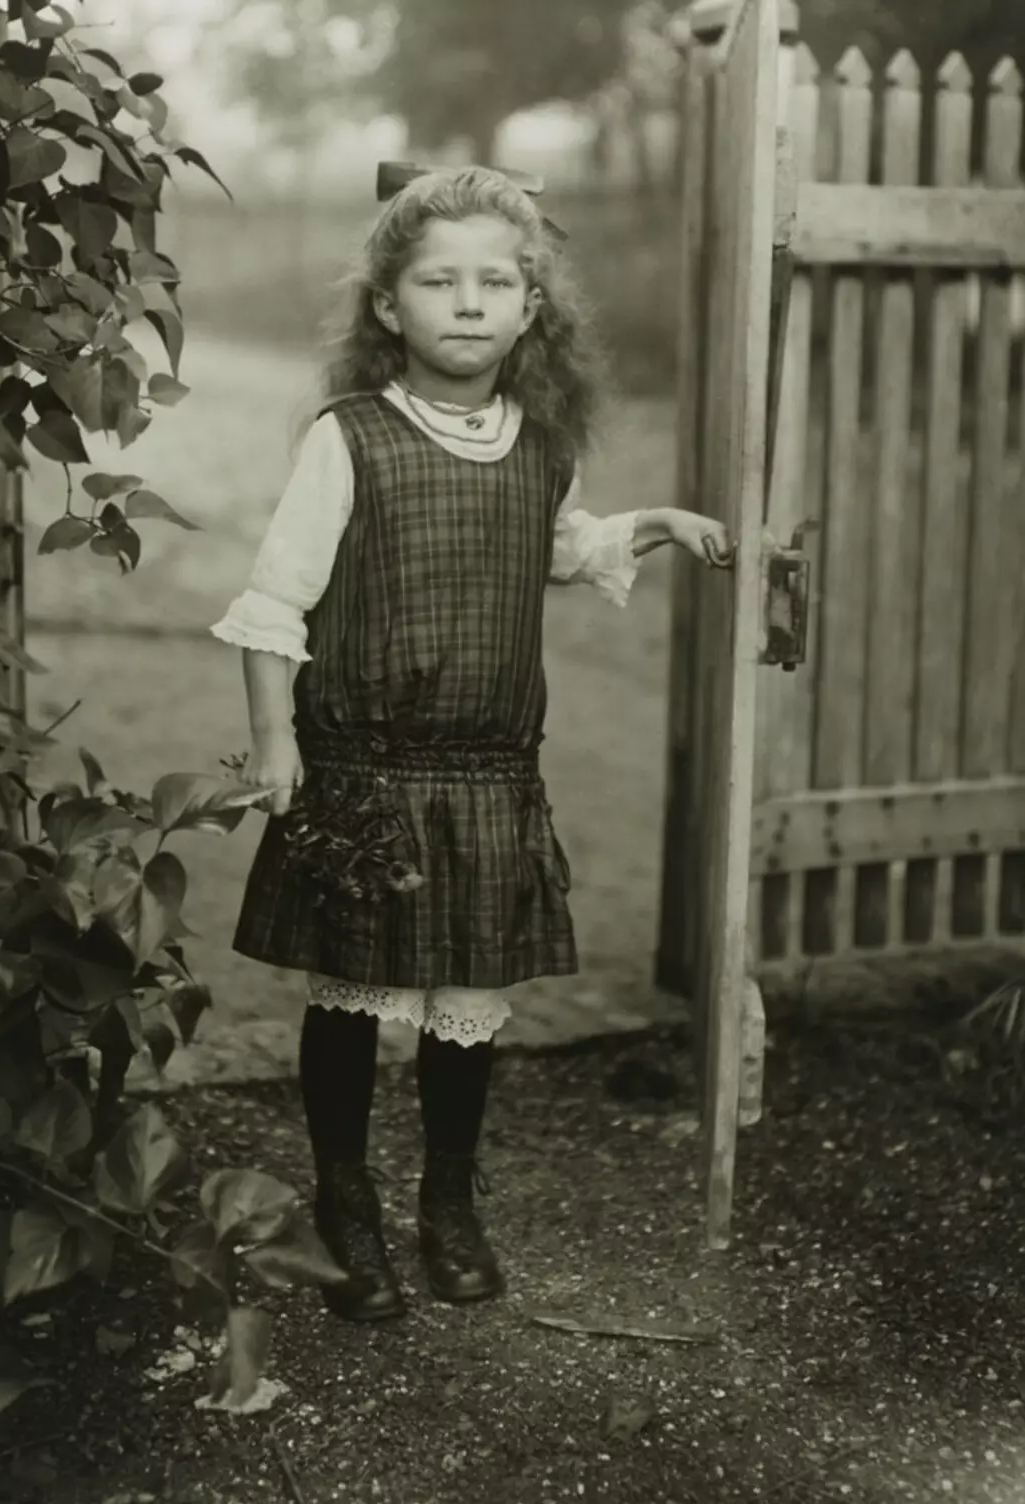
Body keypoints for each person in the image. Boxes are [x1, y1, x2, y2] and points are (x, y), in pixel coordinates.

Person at [211, 164, 731, 1324]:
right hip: (365, 770)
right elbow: (272, 604)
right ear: (388, 306)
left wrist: (654, 523)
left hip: (492, 772)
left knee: (467, 998)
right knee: (350, 996)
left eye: (497, 280)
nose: (468, 301)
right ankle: (345, 1198)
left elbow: (552, 546)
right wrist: (273, 745)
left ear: (532, 307)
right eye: (437, 280)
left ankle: (449, 1195)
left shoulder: (542, 446)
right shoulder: (349, 439)